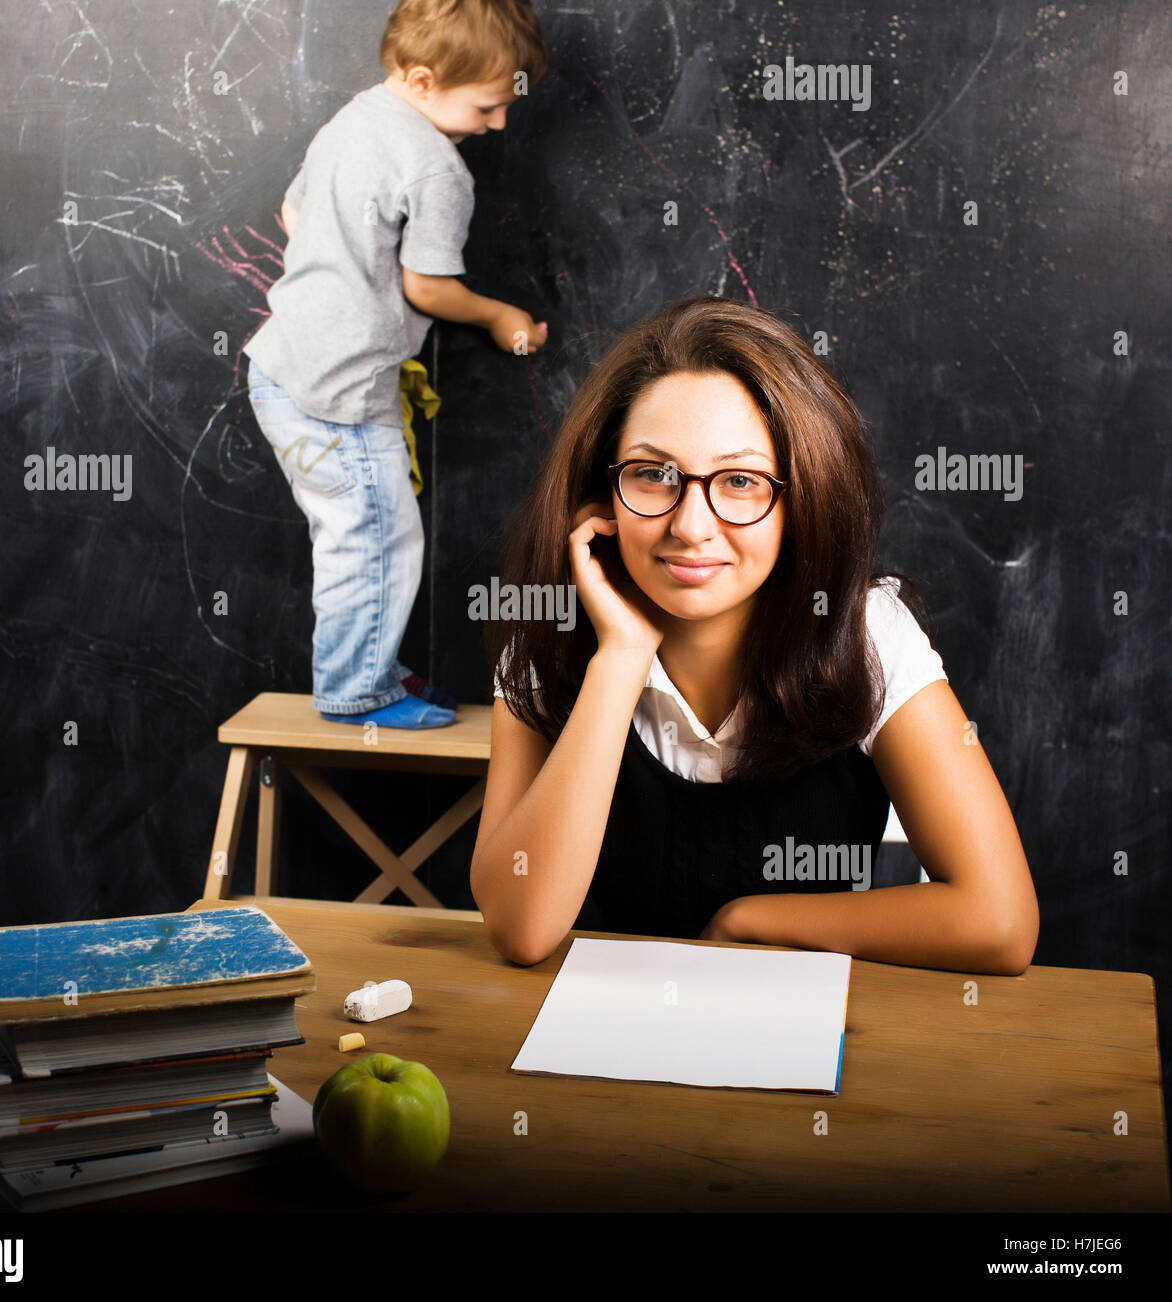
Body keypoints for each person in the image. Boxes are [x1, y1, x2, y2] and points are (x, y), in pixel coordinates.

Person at [471, 295, 1039, 974]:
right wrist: (621, 656)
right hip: (597, 1038)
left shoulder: (863, 634)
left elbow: (999, 921)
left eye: (739, 480)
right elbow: (521, 929)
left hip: (806, 1036)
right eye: (654, 475)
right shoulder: (548, 646)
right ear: (603, 497)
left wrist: (751, 920)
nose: (690, 524)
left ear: (802, 500)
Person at [245, 0, 548, 729]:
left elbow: (292, 213)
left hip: (283, 368)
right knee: (376, 536)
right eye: (487, 106)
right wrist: (501, 316)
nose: (499, 123)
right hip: (337, 393)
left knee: (363, 530)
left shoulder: (351, 120)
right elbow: (427, 286)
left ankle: (370, 661)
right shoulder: (438, 169)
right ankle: (358, 689)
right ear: (420, 79)